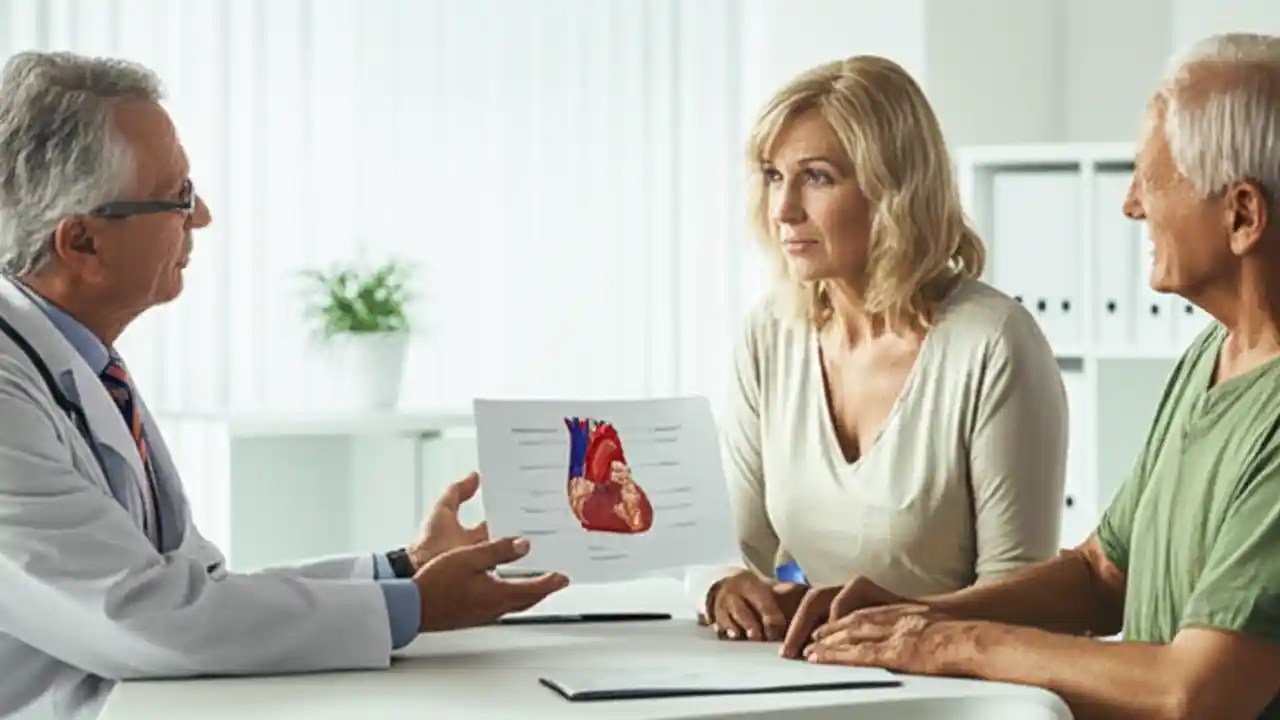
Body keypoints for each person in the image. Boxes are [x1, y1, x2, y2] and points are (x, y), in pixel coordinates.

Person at [0, 51, 567, 720]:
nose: (202, 215)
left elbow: (198, 590)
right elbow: (145, 618)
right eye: (178, 195)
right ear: (82, 244)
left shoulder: (81, 366)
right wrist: (414, 607)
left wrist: (403, 567)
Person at [798, 33, 1280, 720]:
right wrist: (911, 616)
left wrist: (953, 643)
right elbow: (1103, 573)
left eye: (1152, 178)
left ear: (1241, 216)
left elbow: (1196, 691)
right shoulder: (1214, 353)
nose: (1130, 204)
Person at [692, 55, 1069, 649]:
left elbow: (1020, 600)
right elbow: (731, 544)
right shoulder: (771, 332)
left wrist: (895, 629)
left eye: (816, 177)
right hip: (819, 676)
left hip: (957, 686)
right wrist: (723, 586)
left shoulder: (994, 343)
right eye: (772, 176)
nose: (784, 209)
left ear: (894, 188)